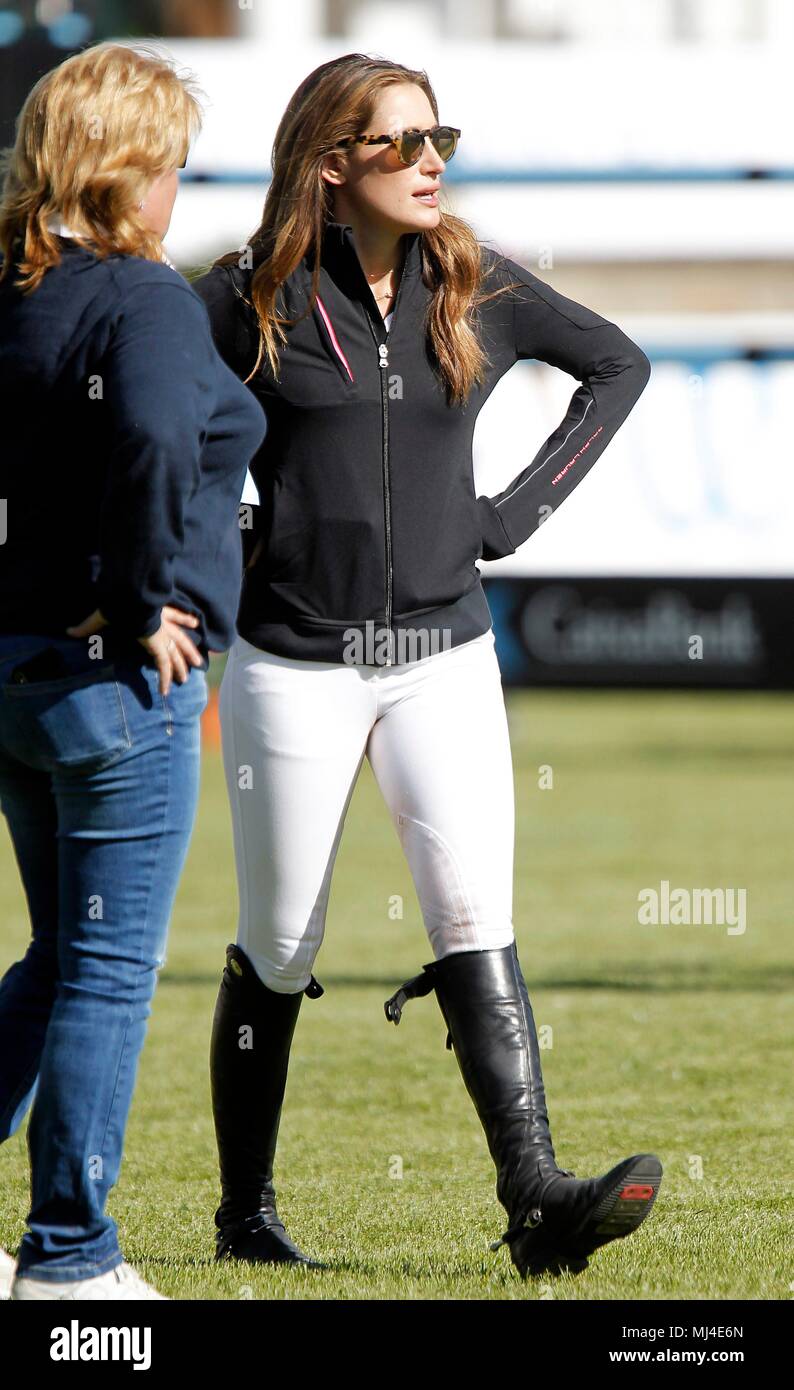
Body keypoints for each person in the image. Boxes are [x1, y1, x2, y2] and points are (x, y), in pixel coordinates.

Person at [193, 51, 662, 1281]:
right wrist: (221, 547)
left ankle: (538, 1199)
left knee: (472, 919)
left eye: (435, 134)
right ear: (330, 164)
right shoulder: (245, 295)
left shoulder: (475, 277)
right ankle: (244, 1216)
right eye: (398, 143)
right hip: (292, 664)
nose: (429, 160)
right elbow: (152, 429)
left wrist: (509, 518)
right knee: (280, 946)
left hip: (444, 656)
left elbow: (618, 366)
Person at [0, 41, 266, 1300]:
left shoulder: (15, 288)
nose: (177, 191)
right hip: (117, 684)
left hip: (20, 675)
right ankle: (68, 1259)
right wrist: (146, 592)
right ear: (132, 167)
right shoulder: (140, 295)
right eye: (172, 164)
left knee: (57, 958)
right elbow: (159, 434)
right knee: (104, 969)